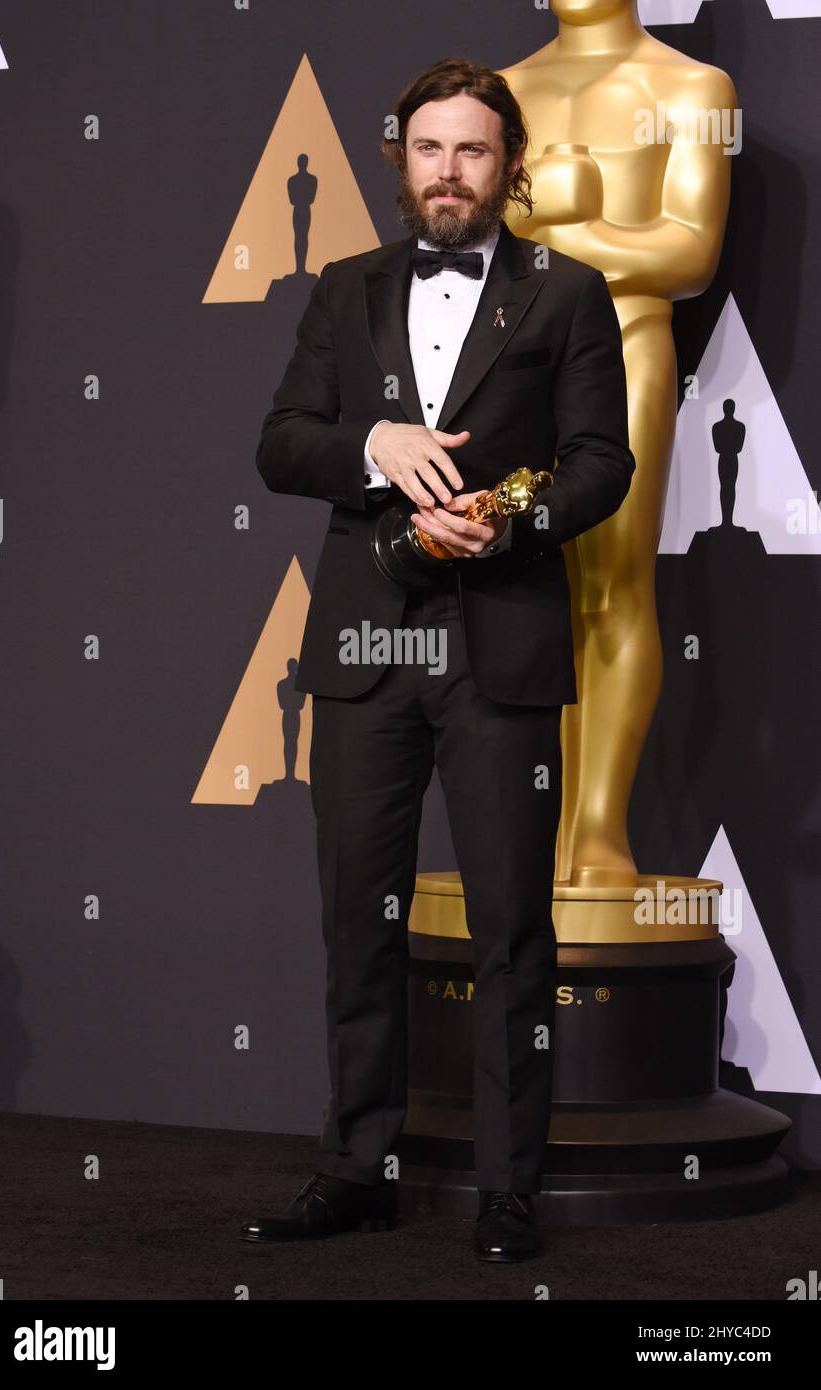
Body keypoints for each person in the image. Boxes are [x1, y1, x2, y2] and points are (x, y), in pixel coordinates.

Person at [241, 56, 635, 1263]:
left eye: (471, 149)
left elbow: (598, 461)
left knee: (513, 926)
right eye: (427, 148)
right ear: (396, 160)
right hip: (367, 644)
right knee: (358, 920)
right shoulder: (343, 288)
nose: (448, 170)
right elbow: (279, 443)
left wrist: (500, 519)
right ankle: (354, 1166)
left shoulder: (565, 293)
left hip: (500, 645)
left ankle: (509, 1188)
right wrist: (375, 443)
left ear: (509, 166)